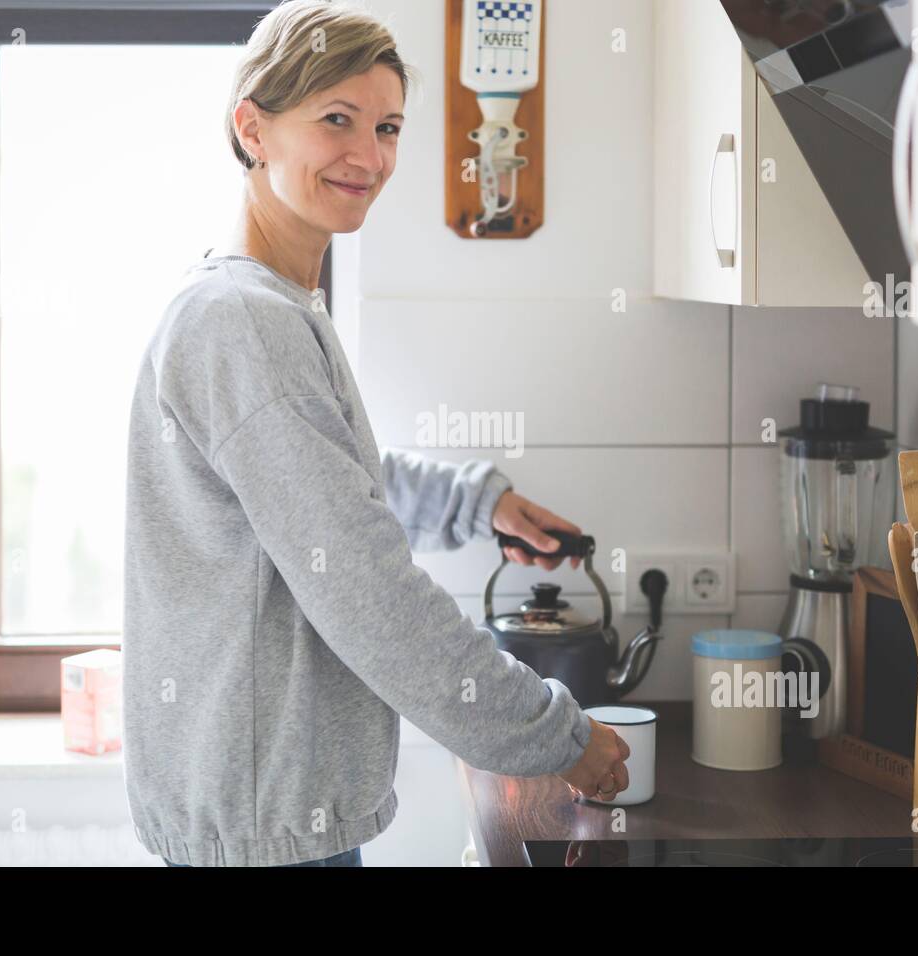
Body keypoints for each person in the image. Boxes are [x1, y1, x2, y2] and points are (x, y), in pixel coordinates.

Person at [122, 0, 629, 868]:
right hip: (267, 827)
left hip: (268, 814)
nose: (370, 155)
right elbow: (362, 585)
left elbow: (320, 487)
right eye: (336, 121)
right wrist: (553, 734)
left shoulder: (267, 305)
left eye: (388, 126)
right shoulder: (243, 321)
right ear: (253, 129)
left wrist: (478, 504)